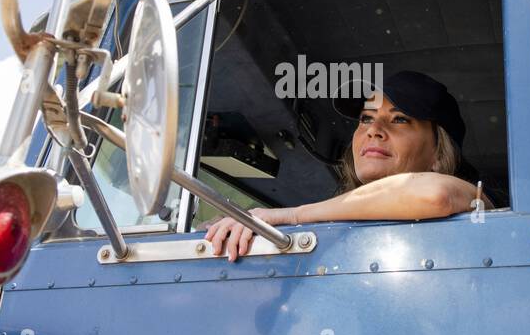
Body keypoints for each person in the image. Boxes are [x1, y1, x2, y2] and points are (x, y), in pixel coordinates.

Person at [204, 70, 488, 261]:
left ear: (439, 153)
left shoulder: (471, 197)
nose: (373, 129)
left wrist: (286, 216)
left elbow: (433, 195)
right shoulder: (342, 224)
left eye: (400, 119)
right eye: (366, 118)